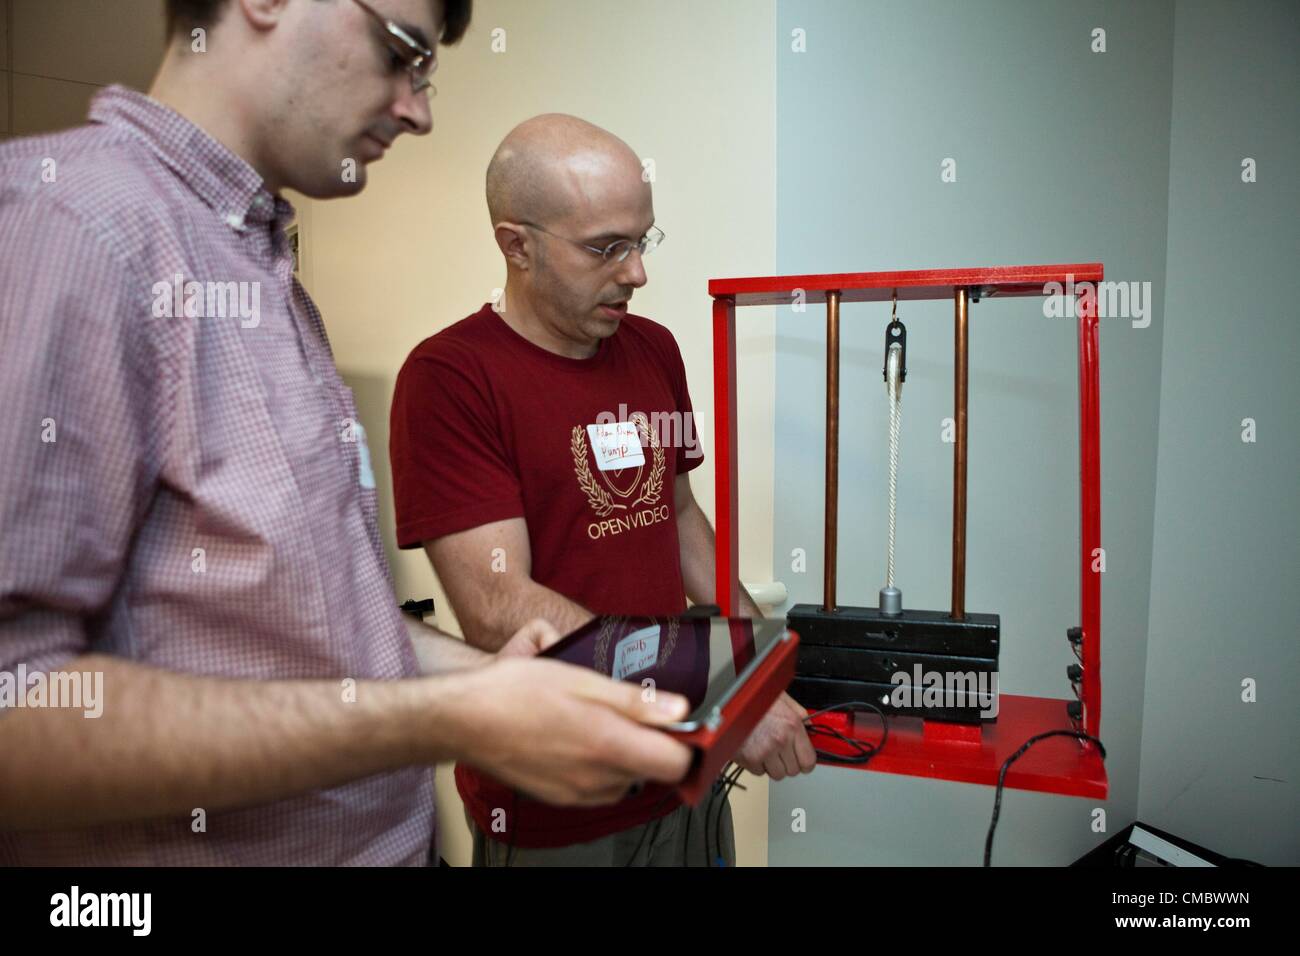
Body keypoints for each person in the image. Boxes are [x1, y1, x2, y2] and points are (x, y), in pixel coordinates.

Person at [0, 0, 693, 866]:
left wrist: (496, 685)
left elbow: (323, 635)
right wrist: (448, 716)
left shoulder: (266, 275)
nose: (419, 110)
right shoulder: (68, 224)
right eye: (401, 52)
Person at [389, 114, 817, 866]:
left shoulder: (652, 348)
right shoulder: (450, 378)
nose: (637, 273)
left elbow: (680, 517)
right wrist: (708, 695)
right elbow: (497, 605)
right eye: (605, 247)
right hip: (559, 801)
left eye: (643, 241)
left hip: (684, 776)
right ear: (516, 245)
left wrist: (753, 672)